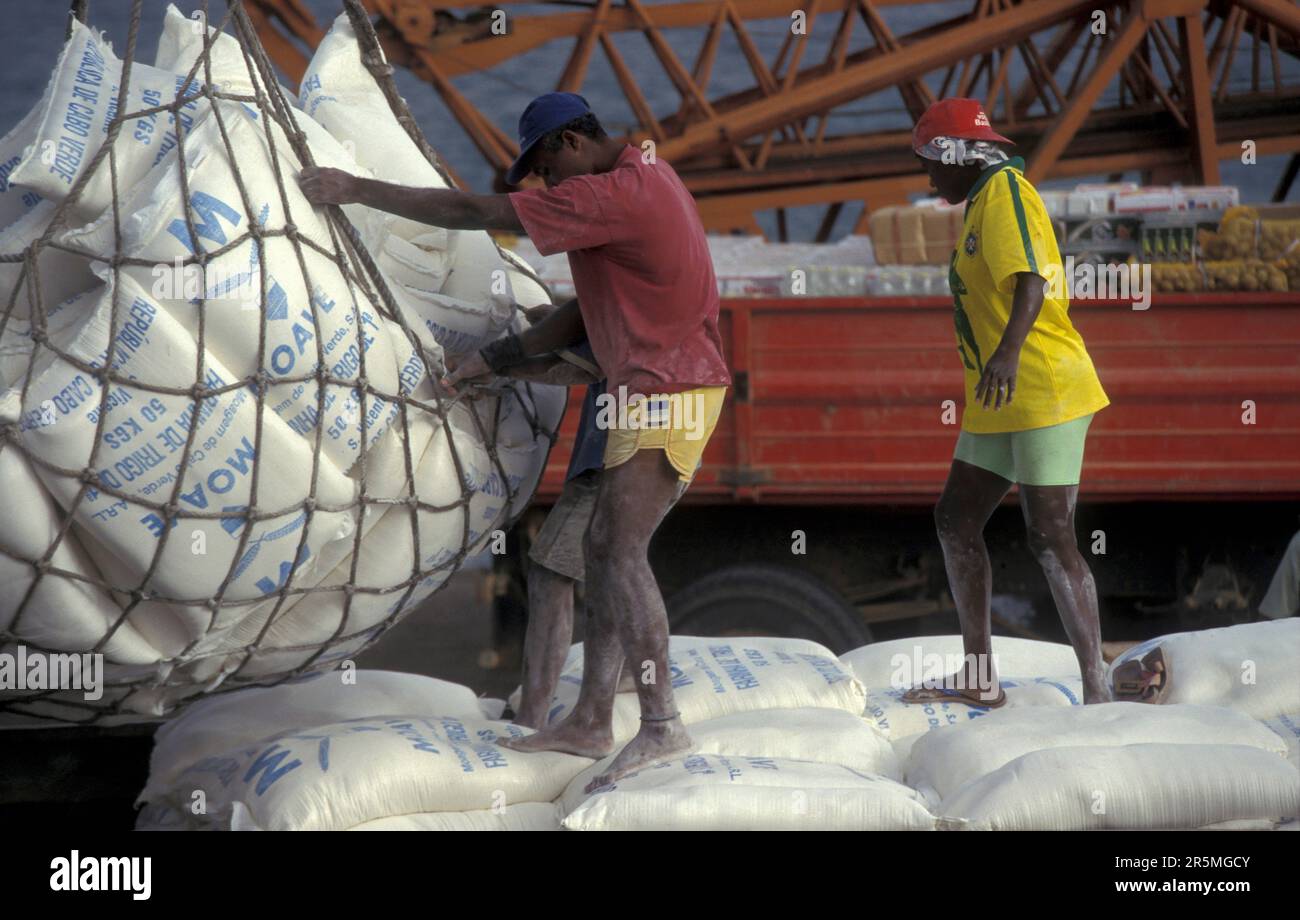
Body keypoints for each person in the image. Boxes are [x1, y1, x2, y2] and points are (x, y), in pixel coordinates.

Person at [298, 92, 730, 786]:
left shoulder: (607, 195)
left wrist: (353, 191)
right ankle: (591, 720)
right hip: (653, 385)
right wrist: (498, 359)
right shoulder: (642, 176)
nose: (545, 188)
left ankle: (659, 725)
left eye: (544, 171)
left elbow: (475, 214)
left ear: (570, 144)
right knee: (599, 549)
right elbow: (576, 315)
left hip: (669, 390)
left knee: (619, 553)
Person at [900, 98, 1113, 706]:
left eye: (930, 163)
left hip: (1042, 385)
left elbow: (1031, 279)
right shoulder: (979, 204)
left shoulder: (1007, 193)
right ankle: (978, 676)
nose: (929, 177)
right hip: (999, 395)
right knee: (956, 518)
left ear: (957, 154)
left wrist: (1009, 352)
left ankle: (1097, 693)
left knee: (1050, 534)